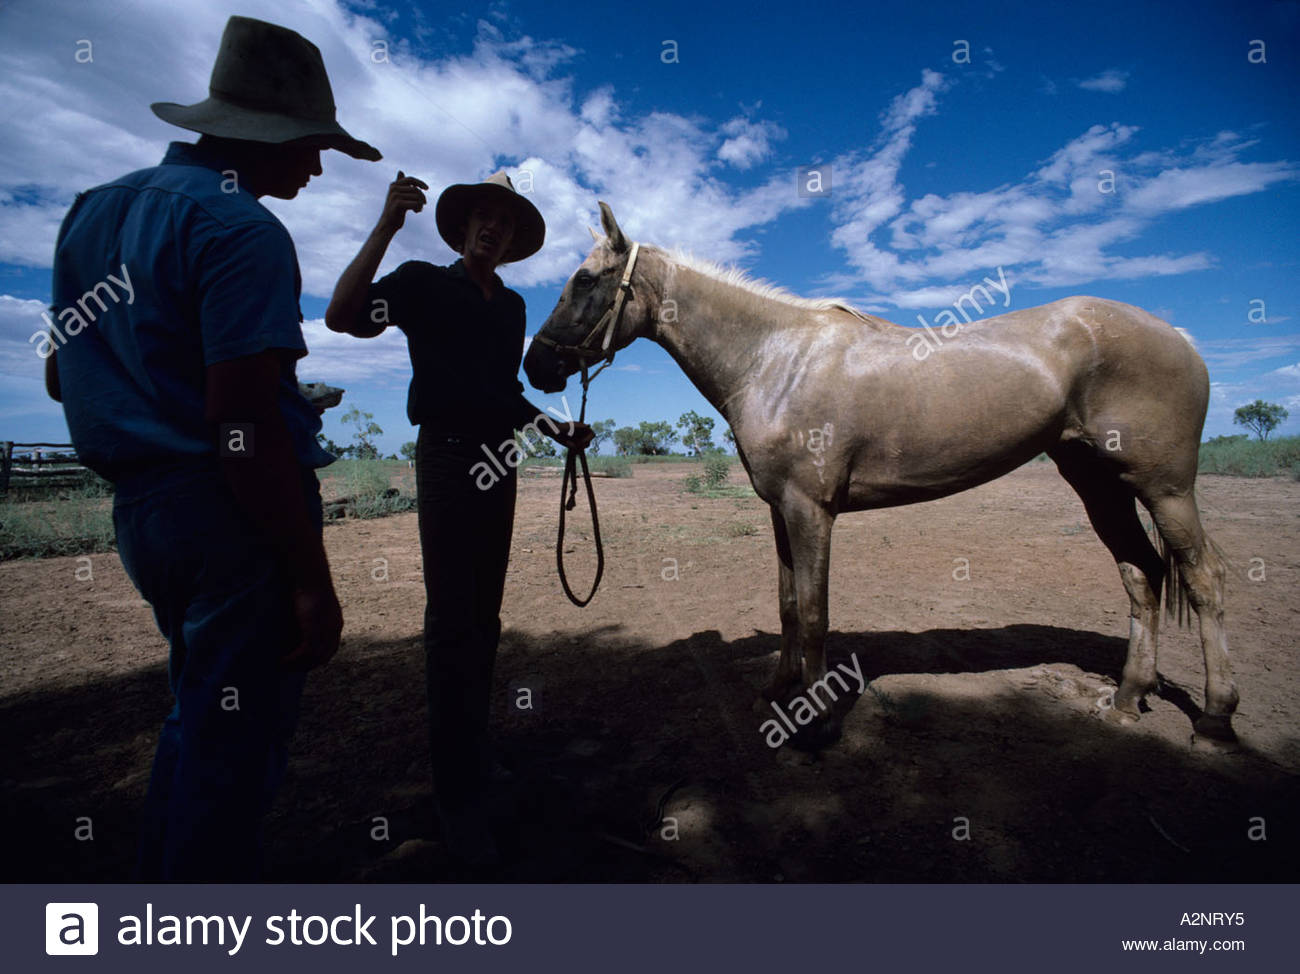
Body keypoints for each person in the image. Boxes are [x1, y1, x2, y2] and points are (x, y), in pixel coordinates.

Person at [46, 16, 381, 880]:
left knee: (199, 717)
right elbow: (242, 429)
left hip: (143, 513)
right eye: (309, 147)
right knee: (235, 750)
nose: (313, 167)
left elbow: (62, 375)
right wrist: (309, 576)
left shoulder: (90, 216)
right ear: (262, 136)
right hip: (229, 514)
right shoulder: (242, 231)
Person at [326, 170, 592, 867]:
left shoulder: (510, 308)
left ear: (512, 240)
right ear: (462, 224)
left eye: (503, 220)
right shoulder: (418, 282)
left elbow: (502, 392)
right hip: (445, 457)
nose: (491, 226)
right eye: (481, 213)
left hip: (497, 462)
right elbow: (342, 317)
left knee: (485, 617)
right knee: (451, 621)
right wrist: (386, 222)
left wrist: (552, 428)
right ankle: (456, 796)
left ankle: (472, 755)